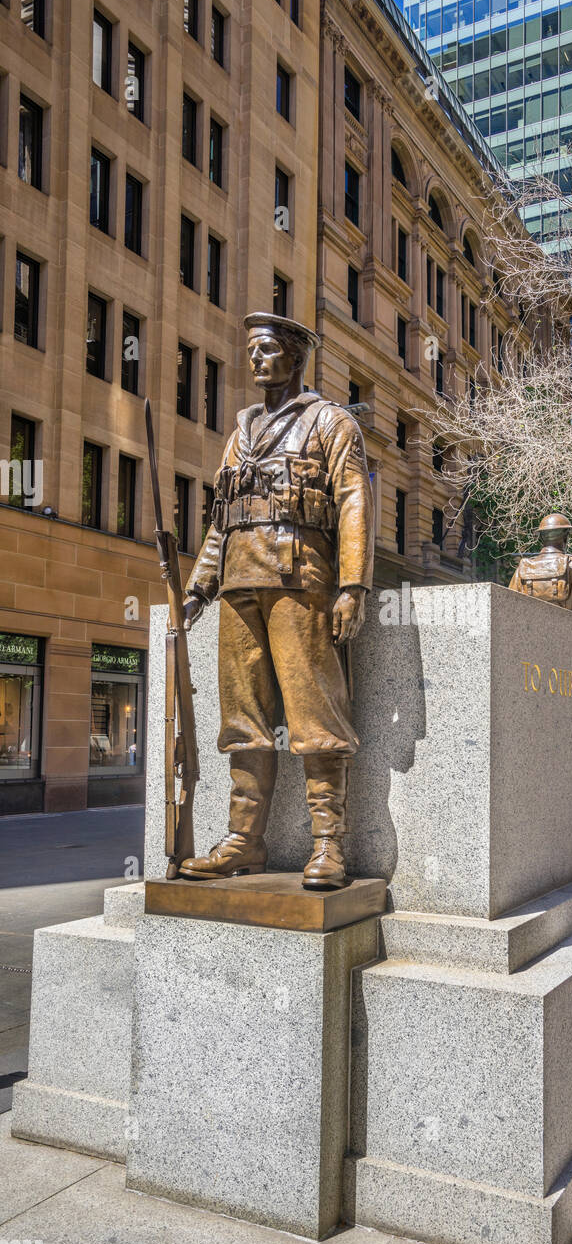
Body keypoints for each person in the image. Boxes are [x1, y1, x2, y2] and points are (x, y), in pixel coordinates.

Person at [180, 312, 375, 887]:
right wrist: (198, 586)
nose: (255, 359)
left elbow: (354, 502)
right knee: (243, 722)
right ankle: (243, 842)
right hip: (239, 585)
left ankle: (328, 846)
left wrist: (353, 585)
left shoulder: (330, 422)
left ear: (295, 357)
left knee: (317, 718)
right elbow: (224, 516)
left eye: (266, 350)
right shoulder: (239, 432)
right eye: (251, 351)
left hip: (300, 580)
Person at [508, 514, 572, 620]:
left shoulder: (523, 568)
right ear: (566, 537)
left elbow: (510, 608)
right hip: (570, 634)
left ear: (541, 537)